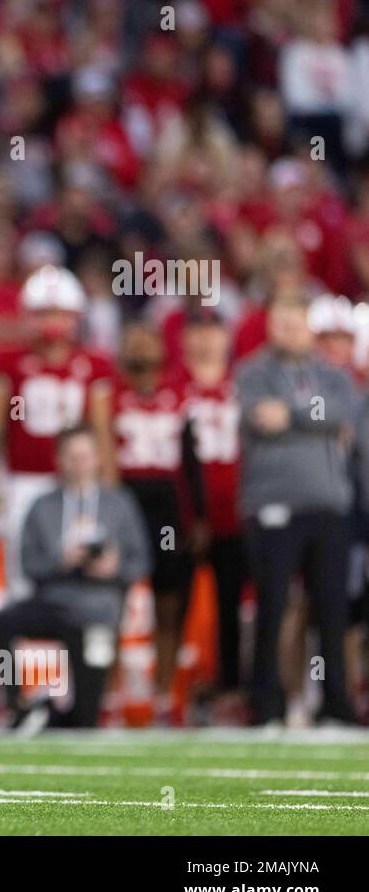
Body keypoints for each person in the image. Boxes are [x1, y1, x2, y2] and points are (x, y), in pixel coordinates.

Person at [236, 297, 361, 725]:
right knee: (272, 606)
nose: (288, 330)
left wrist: (289, 414)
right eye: (280, 322)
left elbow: (348, 413)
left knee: (331, 609)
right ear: (269, 327)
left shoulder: (333, 374)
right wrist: (317, 417)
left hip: (328, 505)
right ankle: (265, 702)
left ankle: (335, 703)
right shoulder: (253, 372)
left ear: (309, 327)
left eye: (295, 322)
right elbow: (258, 418)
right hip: (274, 506)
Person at [0, 425, 149, 728]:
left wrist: (114, 568)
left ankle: (46, 714)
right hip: (54, 603)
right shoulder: (41, 505)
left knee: (86, 720)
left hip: (98, 610)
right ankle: (15, 706)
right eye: (72, 457)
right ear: (59, 460)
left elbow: (141, 560)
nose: (79, 465)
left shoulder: (119, 504)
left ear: (98, 459)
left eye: (85, 457)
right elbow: (27, 564)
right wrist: (60, 561)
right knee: (2, 621)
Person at [0, 265, 117, 598]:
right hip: (22, 479)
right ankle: (25, 643)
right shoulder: (7, 361)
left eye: (60, 313)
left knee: (78, 564)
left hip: (78, 480)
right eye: (44, 313)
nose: (53, 323)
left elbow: (102, 432)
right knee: (22, 568)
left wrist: (109, 486)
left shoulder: (93, 364)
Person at [111, 321, 203, 723]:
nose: (141, 345)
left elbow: (191, 459)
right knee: (115, 598)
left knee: (169, 601)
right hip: (125, 500)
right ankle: (111, 695)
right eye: (134, 338)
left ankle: (165, 695)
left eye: (147, 338)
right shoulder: (109, 395)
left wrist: (198, 515)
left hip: (166, 503)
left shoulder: (179, 395)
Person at [180, 308, 248, 722]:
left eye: (213, 332)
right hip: (182, 516)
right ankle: (176, 689)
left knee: (231, 606)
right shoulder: (174, 386)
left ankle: (229, 690)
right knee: (175, 601)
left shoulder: (243, 385)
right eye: (197, 332)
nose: (206, 341)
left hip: (235, 512)